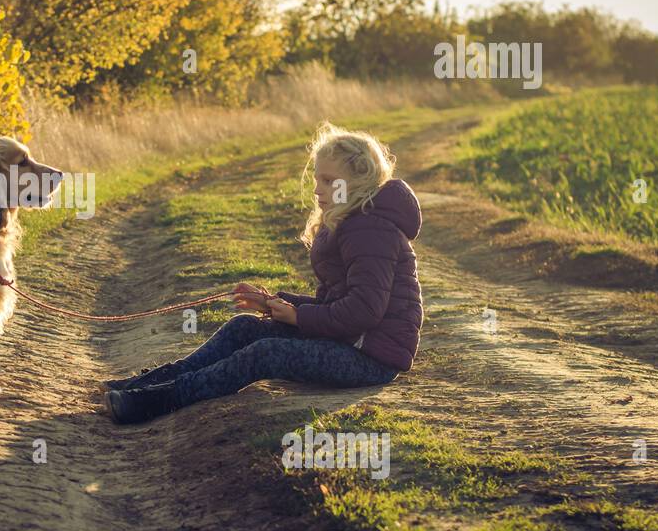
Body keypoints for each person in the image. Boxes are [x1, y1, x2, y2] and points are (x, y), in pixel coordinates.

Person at [104, 122, 424, 424]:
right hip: (349, 340)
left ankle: (157, 400)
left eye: (329, 181)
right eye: (317, 179)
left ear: (358, 182)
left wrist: (298, 317)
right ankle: (149, 383)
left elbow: (364, 311)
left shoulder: (370, 230)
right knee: (244, 327)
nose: (317, 189)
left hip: (370, 358)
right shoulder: (351, 222)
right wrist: (277, 304)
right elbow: (337, 302)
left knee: (267, 352)